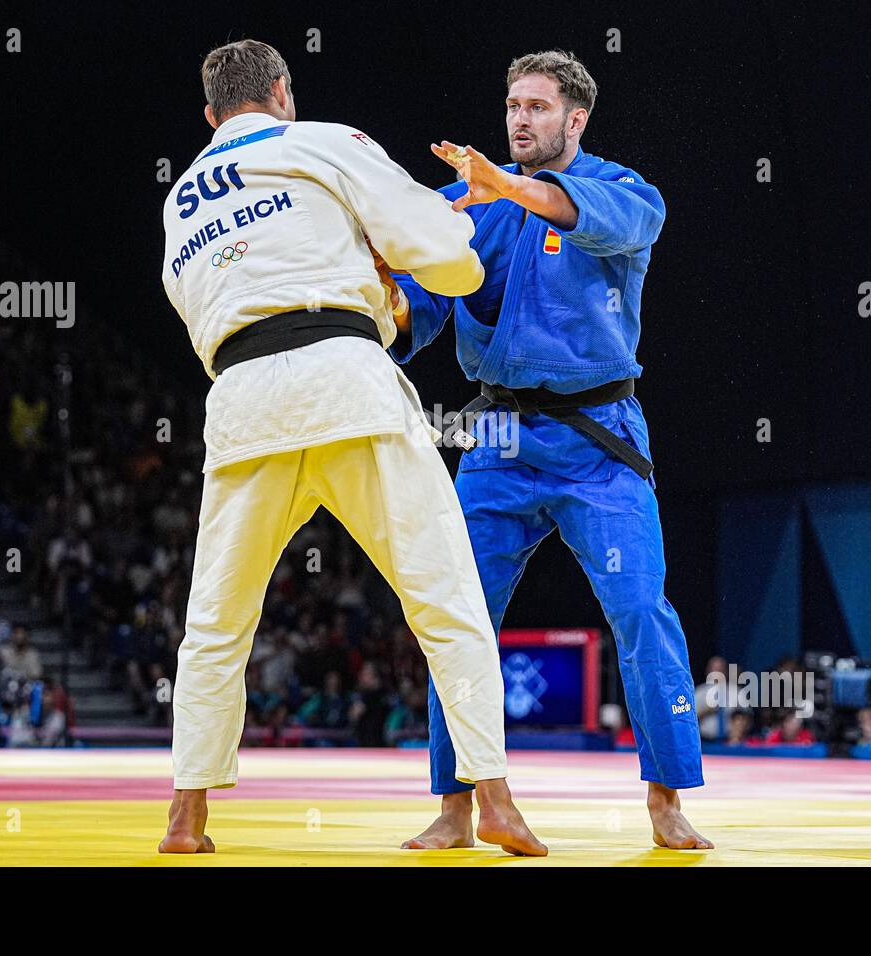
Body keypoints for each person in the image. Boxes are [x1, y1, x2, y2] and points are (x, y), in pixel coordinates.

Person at [157, 39, 543, 855]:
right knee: (446, 597)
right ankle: (497, 799)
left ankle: (186, 816)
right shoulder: (326, 141)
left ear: (209, 116)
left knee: (216, 624)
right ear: (281, 91)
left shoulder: (181, 199)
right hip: (345, 379)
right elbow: (448, 261)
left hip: (241, 403)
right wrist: (406, 262)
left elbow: (194, 309)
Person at [391, 50, 710, 850]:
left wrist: (504, 188)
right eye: (511, 106)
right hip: (497, 437)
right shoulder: (470, 196)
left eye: (537, 107)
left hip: (601, 439)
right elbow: (425, 303)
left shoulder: (628, 193)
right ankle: (456, 807)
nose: (519, 120)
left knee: (640, 609)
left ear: (576, 119)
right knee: (456, 616)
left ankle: (666, 800)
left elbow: (591, 219)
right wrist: (385, 306)